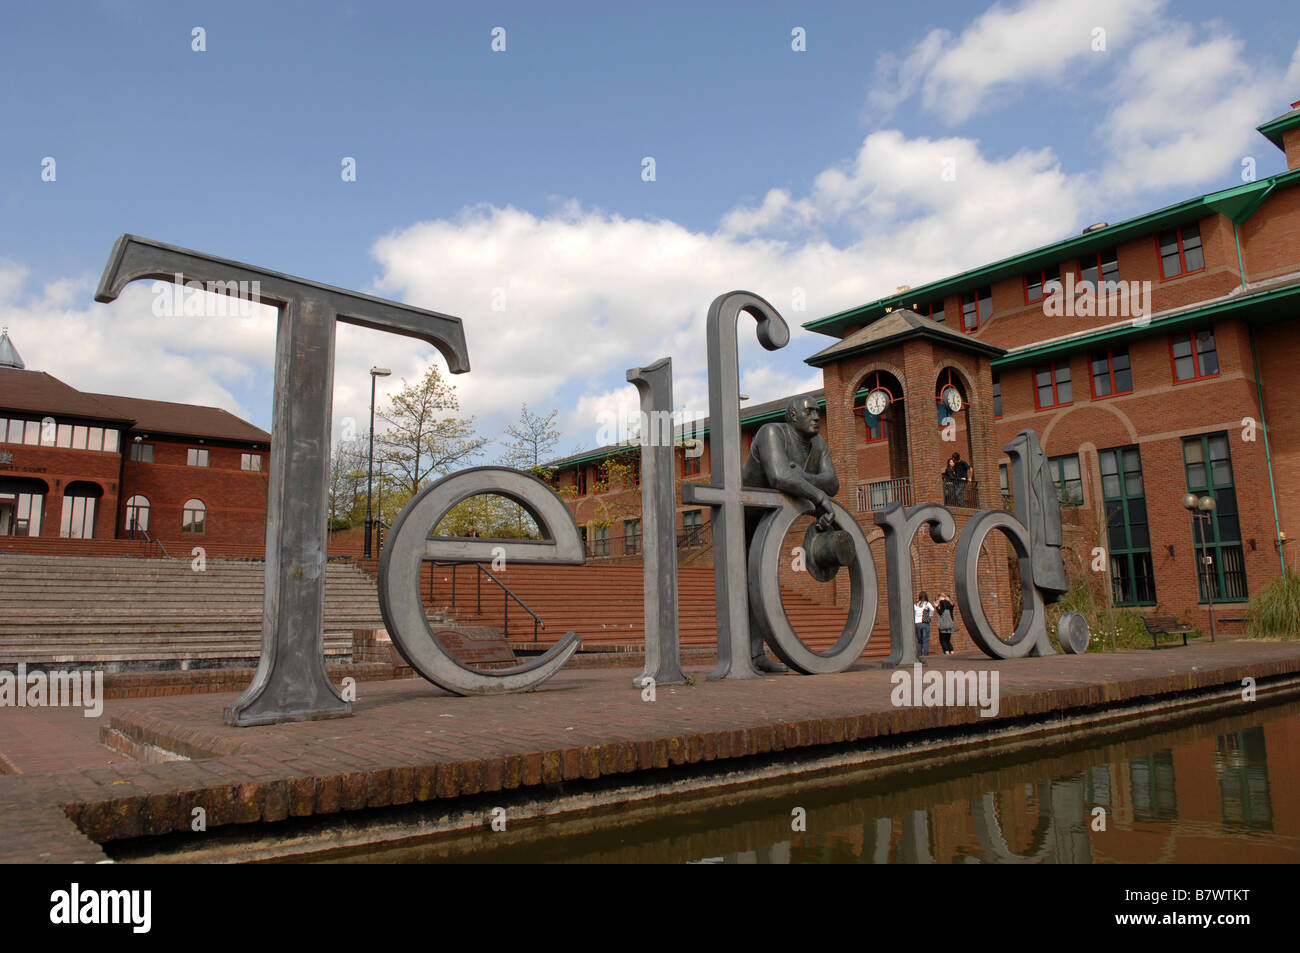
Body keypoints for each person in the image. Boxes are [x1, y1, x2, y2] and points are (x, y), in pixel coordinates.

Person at [741, 394, 848, 673]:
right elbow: (778, 475)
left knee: (761, 586)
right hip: (743, 519)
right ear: (792, 416)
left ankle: (755, 656)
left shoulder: (817, 443)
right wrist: (817, 495)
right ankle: (746, 657)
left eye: (818, 412)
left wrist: (800, 475)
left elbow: (833, 482)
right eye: (809, 411)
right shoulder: (771, 433)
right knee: (745, 586)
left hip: (770, 521)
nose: (816, 417)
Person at [913, 590, 935, 658]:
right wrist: (930, 615)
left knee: (919, 640)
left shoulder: (916, 604)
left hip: (917, 623)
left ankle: (919, 655)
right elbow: (932, 609)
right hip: (925, 623)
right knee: (925, 639)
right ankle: (926, 655)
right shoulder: (927, 603)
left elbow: (913, 611)